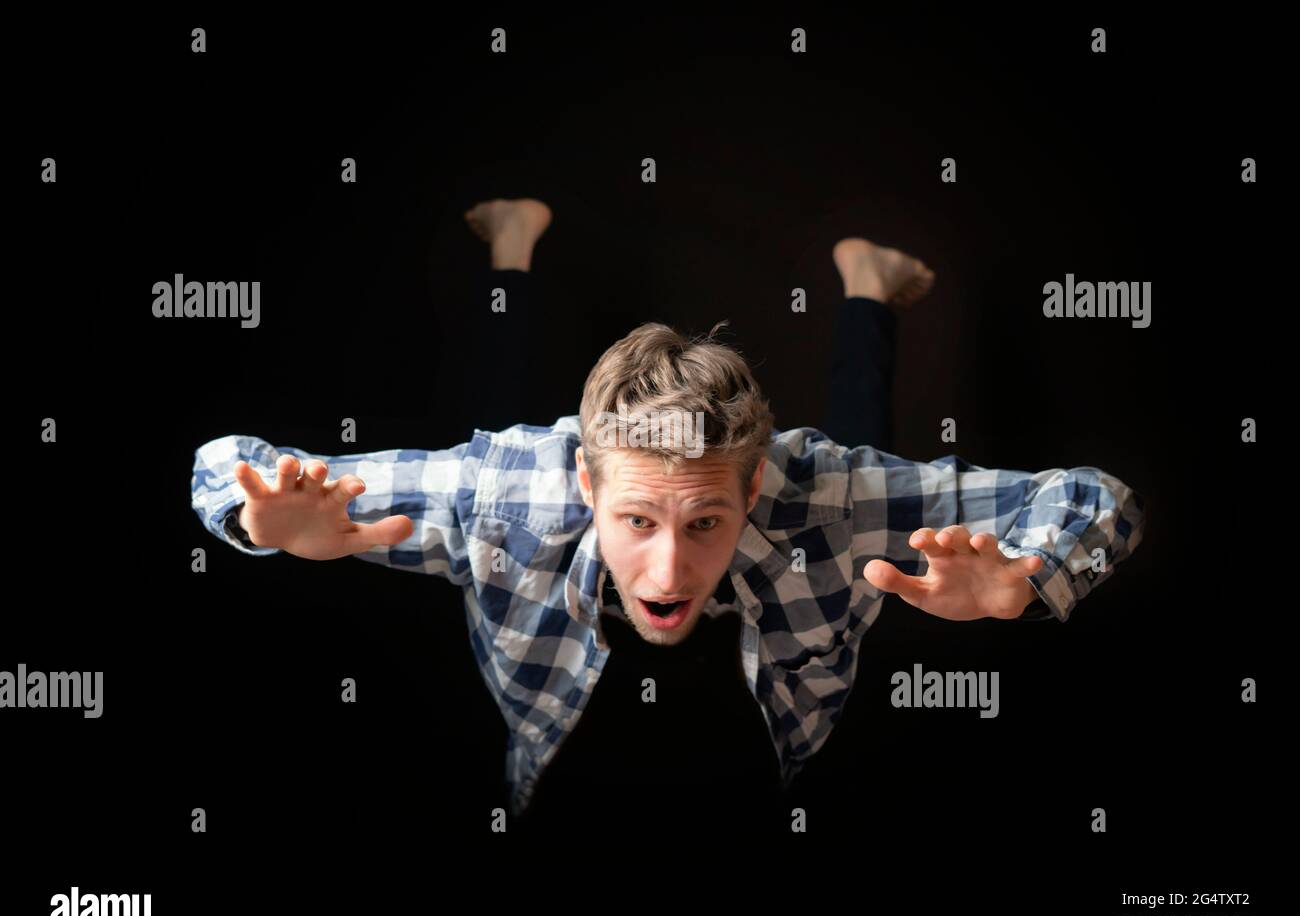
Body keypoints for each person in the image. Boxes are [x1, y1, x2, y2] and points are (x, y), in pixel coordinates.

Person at [190, 197, 1145, 829]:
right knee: (492, 418)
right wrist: (265, 526)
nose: (667, 575)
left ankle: (867, 285)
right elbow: (220, 464)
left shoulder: (824, 494)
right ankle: (512, 245)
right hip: (547, 766)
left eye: (703, 524)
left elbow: (1102, 500)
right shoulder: (509, 485)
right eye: (638, 521)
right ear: (587, 487)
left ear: (753, 490)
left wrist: (1030, 578)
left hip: (790, 729)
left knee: (858, 470)